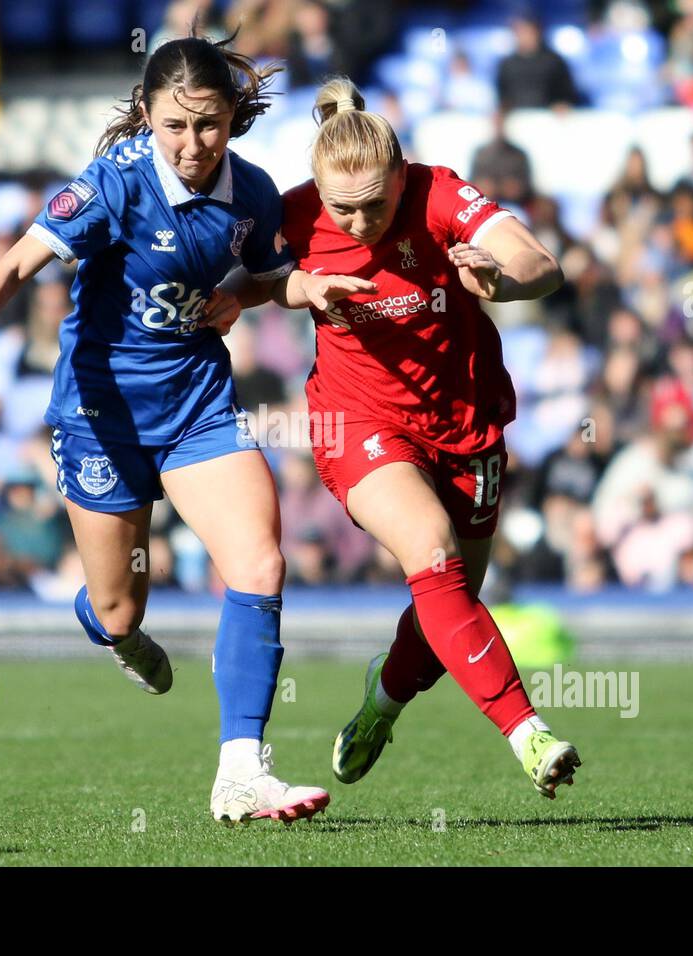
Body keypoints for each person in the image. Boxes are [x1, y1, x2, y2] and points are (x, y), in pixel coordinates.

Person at [0, 34, 364, 825]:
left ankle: (241, 772)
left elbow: (264, 280)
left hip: (196, 408)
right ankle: (113, 632)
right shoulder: (113, 185)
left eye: (209, 125)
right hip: (101, 421)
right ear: (147, 117)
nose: (194, 145)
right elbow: (19, 264)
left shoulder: (254, 194)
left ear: (232, 116)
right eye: (174, 126)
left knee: (259, 562)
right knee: (122, 609)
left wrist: (291, 288)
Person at [222, 77, 580, 800]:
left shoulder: (439, 194)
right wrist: (279, 291)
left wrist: (500, 280)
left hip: (467, 424)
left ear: (401, 175)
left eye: (374, 205)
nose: (357, 223)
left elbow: (542, 264)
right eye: (341, 209)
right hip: (361, 423)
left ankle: (382, 703)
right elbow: (242, 283)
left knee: (450, 603)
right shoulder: (291, 215)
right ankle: (528, 733)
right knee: (432, 552)